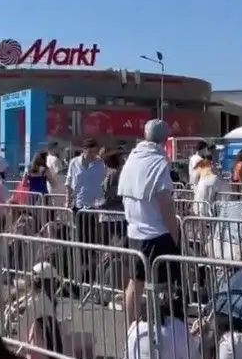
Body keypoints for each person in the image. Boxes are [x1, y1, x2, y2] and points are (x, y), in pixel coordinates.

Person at [117, 119, 184, 322]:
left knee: (134, 285)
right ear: (165, 140)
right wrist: (175, 236)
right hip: (156, 233)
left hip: (134, 231)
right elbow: (166, 204)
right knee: (163, 286)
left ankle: (132, 331)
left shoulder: (132, 159)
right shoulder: (159, 163)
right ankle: (161, 332)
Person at [65, 139, 107, 285]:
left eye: (95, 151)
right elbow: (69, 183)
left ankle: (94, 274)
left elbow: (104, 182)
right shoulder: (74, 163)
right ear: (85, 150)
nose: (93, 154)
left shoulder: (100, 164)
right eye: (91, 151)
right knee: (82, 240)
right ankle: (84, 275)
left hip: (95, 207)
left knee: (94, 241)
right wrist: (67, 201)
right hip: (79, 206)